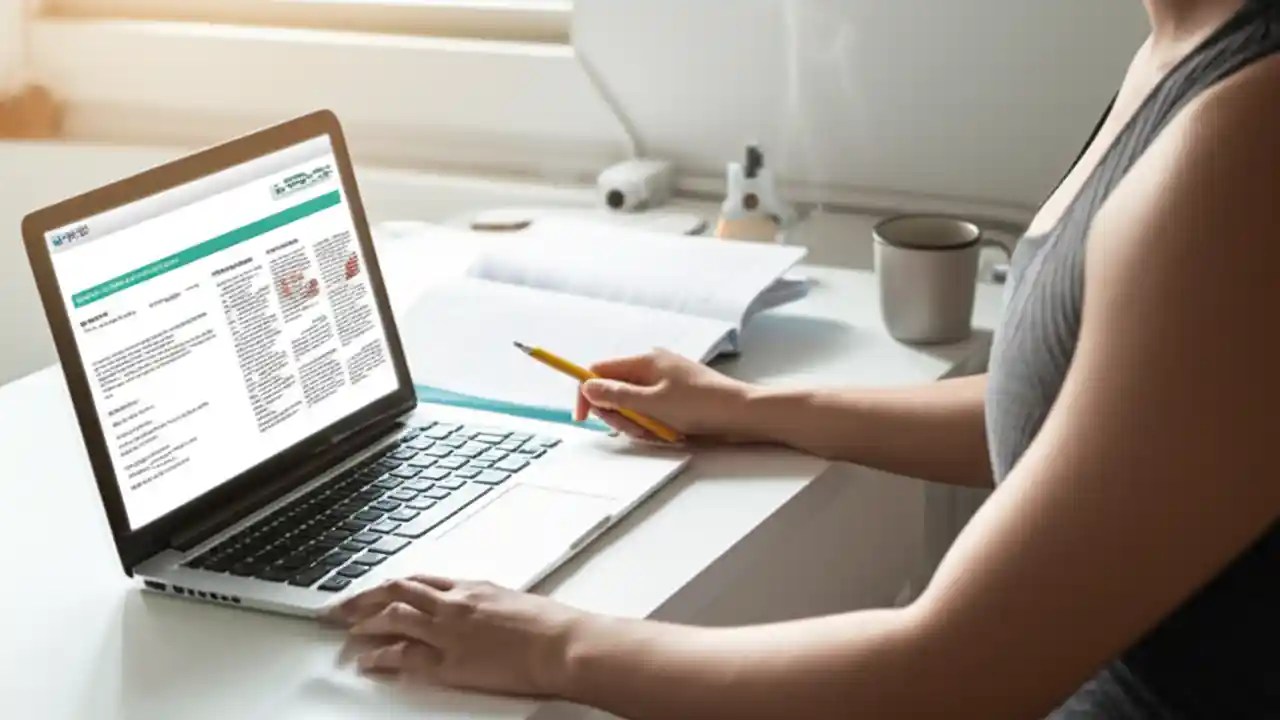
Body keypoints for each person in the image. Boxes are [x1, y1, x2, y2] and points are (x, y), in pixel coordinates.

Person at [327, 0, 1280, 716]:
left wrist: (554, 649)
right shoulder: (1185, 44)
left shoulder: (1248, 137)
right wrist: (756, 410)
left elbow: (954, 675)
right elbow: (1106, 415)